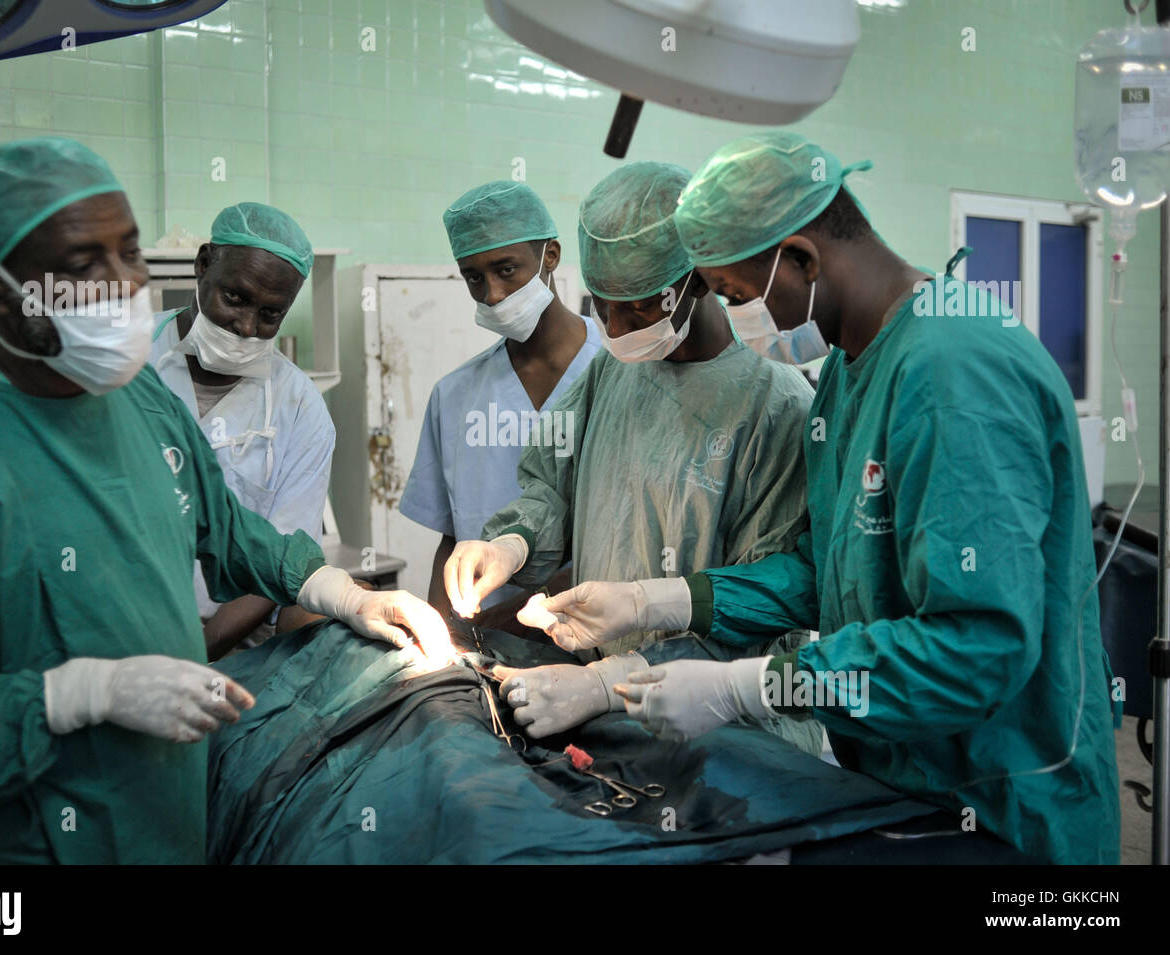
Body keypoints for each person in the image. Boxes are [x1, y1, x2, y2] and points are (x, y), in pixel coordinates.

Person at [523, 132, 1121, 864]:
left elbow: (979, 644)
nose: (744, 320)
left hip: (1010, 806)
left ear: (802, 259)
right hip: (896, 786)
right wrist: (661, 600)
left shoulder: (955, 371)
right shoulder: (845, 372)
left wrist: (754, 684)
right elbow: (825, 572)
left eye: (739, 295)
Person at [0, 137, 450, 864]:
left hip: (163, 819)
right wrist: (77, 694)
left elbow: (228, 527)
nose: (123, 285)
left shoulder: (140, 398)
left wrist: (342, 592)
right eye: (84, 266)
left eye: (130, 253)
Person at [443, 162, 821, 755]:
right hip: (597, 712)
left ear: (698, 279)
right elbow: (552, 489)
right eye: (602, 305)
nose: (616, 330)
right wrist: (508, 545)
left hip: (728, 735)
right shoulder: (611, 372)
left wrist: (606, 683)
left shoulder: (777, 406)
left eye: (640, 308)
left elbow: (761, 608)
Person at [400, 180, 601, 631]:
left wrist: (504, 620)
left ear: (551, 255)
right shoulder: (455, 396)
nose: (492, 294)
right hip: (486, 640)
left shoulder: (619, 370)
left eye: (506, 270)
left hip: (599, 635)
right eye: (474, 277)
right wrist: (441, 635)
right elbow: (453, 541)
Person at [150, 203, 334, 659]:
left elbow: (281, 564)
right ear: (204, 264)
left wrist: (195, 653)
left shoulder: (300, 408)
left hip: (230, 641)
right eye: (234, 298)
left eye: (271, 314)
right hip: (120, 627)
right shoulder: (126, 363)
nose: (247, 326)